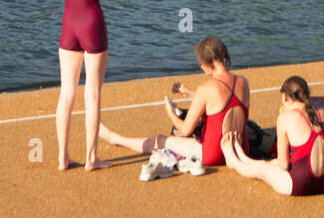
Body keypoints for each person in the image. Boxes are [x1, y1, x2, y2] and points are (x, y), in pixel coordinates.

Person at [99, 36, 250, 168]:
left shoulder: (206, 88)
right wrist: (188, 92)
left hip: (214, 154)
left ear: (209, 61)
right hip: (240, 149)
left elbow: (185, 130)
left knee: (160, 141)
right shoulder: (243, 82)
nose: (201, 67)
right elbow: (219, 104)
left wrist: (171, 113)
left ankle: (115, 138)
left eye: (202, 63)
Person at [55, 0, 129, 171]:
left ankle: (62, 158)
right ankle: (91, 158)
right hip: (92, 29)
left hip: (68, 30)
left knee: (67, 94)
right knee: (93, 94)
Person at [220, 76, 324, 196]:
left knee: (262, 169)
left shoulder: (285, 118)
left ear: (285, 97)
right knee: (272, 163)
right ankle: (243, 157)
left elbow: (283, 165)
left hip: (300, 185)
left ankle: (234, 161)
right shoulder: (323, 113)